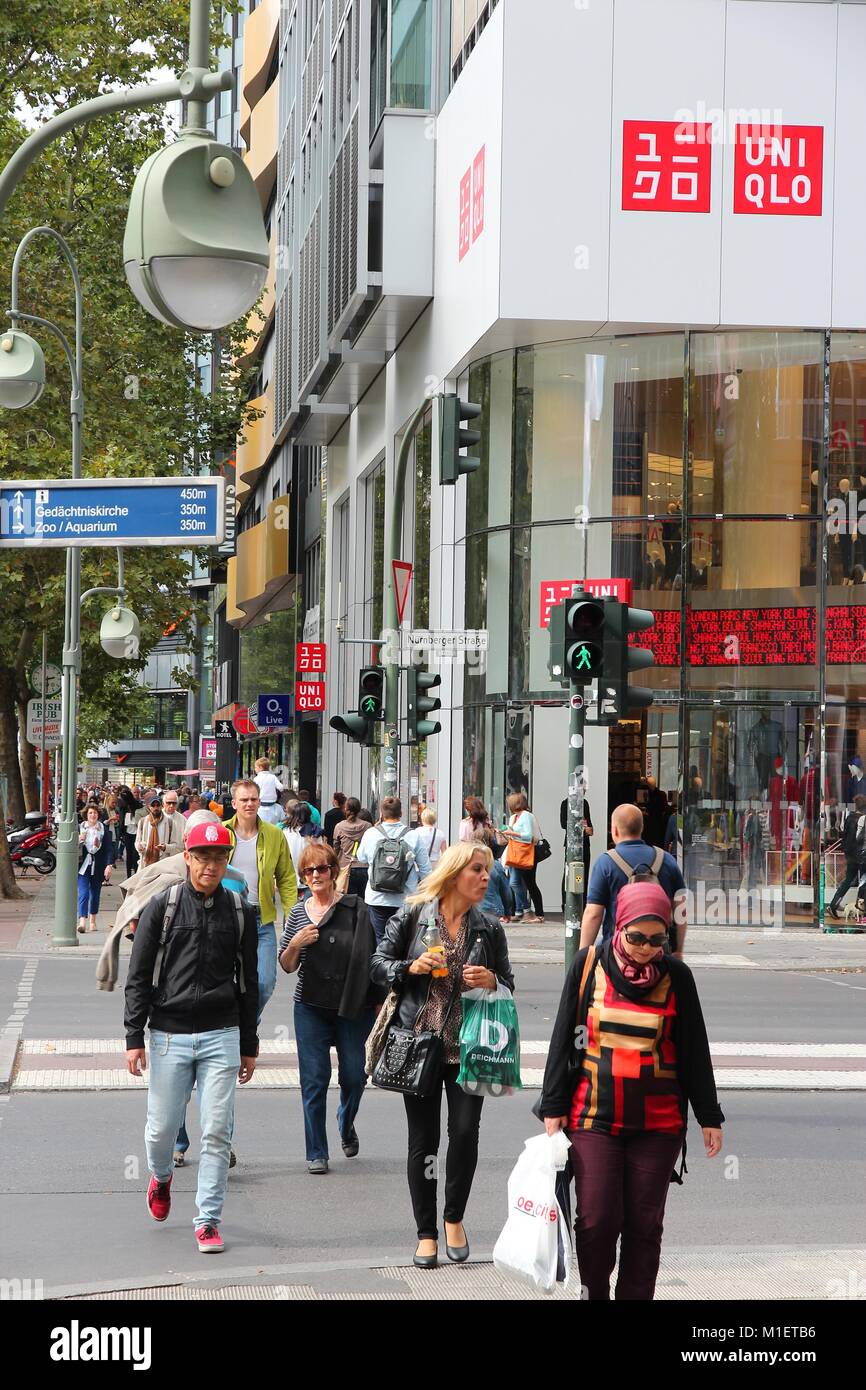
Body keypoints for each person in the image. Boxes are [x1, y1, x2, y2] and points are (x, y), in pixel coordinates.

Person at [539, 881, 723, 1301]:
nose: (645, 948)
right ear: (618, 927)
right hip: (593, 1116)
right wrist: (553, 1106)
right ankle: (594, 1293)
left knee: (644, 1226)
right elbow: (563, 1037)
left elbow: (695, 1048)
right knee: (597, 1220)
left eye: (656, 939)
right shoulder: (588, 965)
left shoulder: (677, 977)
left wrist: (709, 1115)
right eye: (636, 937)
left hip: (658, 1124)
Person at [371, 842, 515, 1268]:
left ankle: (454, 1217)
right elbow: (376, 963)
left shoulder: (489, 927)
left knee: (466, 1133)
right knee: (424, 1142)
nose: (486, 877)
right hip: (419, 1047)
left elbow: (508, 982)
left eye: (488, 870)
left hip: (469, 1047)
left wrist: (490, 979)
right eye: (478, 870)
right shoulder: (413, 917)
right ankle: (426, 1232)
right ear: (455, 875)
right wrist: (407, 968)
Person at [124, 820, 259, 1254]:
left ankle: (207, 1221)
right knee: (160, 1130)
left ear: (226, 862)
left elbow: (249, 983)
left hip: (222, 1033)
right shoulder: (161, 907)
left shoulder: (240, 911)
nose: (210, 865)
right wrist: (133, 1036)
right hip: (168, 1034)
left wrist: (249, 1044)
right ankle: (161, 1177)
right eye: (202, 857)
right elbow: (139, 976)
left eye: (219, 858)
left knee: (217, 1131)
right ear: (187, 858)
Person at [278, 841, 383, 1173]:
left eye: (322, 868)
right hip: (310, 1005)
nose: (316, 875)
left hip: (354, 1006)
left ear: (334, 872)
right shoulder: (297, 912)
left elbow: (374, 958)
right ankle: (316, 1152)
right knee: (314, 1079)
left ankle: (346, 1118)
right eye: (309, 871)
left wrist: (380, 1003)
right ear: (304, 877)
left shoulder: (357, 909)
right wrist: (296, 942)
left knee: (354, 1075)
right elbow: (287, 964)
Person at [224, 779, 298, 1022]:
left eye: (253, 799)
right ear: (234, 803)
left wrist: (293, 914)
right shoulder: (222, 833)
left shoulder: (274, 834)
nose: (249, 804)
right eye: (244, 800)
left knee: (264, 982)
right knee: (223, 982)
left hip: (260, 919)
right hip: (224, 917)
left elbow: (286, 878)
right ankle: (235, 1033)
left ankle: (245, 1027)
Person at [580, 803, 687, 956]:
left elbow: (593, 914)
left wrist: (583, 957)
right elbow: (680, 911)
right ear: (641, 828)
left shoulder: (605, 863)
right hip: (658, 952)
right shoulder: (667, 860)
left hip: (618, 954)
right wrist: (678, 951)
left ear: (614, 830)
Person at [356, 795, 433, 943]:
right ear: (401, 813)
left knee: (381, 939)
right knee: (404, 941)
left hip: (377, 898)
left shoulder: (371, 833)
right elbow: (425, 869)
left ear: (381, 813)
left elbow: (361, 858)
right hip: (405, 899)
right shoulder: (413, 835)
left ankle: (382, 964)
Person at [501, 791, 545, 924]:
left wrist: (512, 832)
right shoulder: (514, 817)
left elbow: (528, 836)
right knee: (518, 882)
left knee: (522, 883)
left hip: (525, 852)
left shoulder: (526, 816)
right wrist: (508, 832)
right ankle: (520, 911)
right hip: (517, 852)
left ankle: (530, 912)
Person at [77, 802, 115, 933]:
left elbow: (109, 849)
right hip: (82, 866)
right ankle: (82, 921)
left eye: (95, 813)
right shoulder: (80, 828)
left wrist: (109, 865)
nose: (93, 815)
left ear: (98, 814)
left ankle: (92, 921)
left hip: (98, 866)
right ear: (86, 815)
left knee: (95, 894)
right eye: (90, 813)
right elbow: (70, 847)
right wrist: (78, 839)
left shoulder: (103, 829)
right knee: (84, 893)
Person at [828, 793, 866, 918]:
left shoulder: (849, 818)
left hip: (850, 855)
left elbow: (845, 837)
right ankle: (859, 910)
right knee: (862, 882)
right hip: (860, 856)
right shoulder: (862, 819)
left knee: (848, 880)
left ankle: (833, 904)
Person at [560, 794, 593, 915]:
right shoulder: (566, 803)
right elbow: (564, 824)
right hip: (572, 843)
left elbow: (589, 823)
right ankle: (566, 904)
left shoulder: (585, 803)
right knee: (570, 873)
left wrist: (589, 829)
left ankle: (582, 905)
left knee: (582, 874)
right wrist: (582, 828)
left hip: (585, 844)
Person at [135, 795, 183, 867]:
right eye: (153, 805)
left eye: (158, 805)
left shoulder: (170, 822)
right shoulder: (143, 822)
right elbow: (137, 842)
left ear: (162, 806)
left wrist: (165, 847)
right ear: (149, 807)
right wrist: (139, 847)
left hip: (163, 862)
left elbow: (175, 845)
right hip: (146, 861)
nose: (155, 808)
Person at [332, 796, 365, 869]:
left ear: (345, 809)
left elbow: (336, 847)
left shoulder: (339, 826)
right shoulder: (367, 826)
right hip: (363, 866)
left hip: (345, 866)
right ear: (359, 809)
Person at [254, 757, 284, 825]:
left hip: (261, 805)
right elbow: (281, 787)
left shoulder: (256, 779)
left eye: (256, 767)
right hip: (272, 804)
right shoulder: (273, 777)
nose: (255, 769)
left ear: (260, 768)